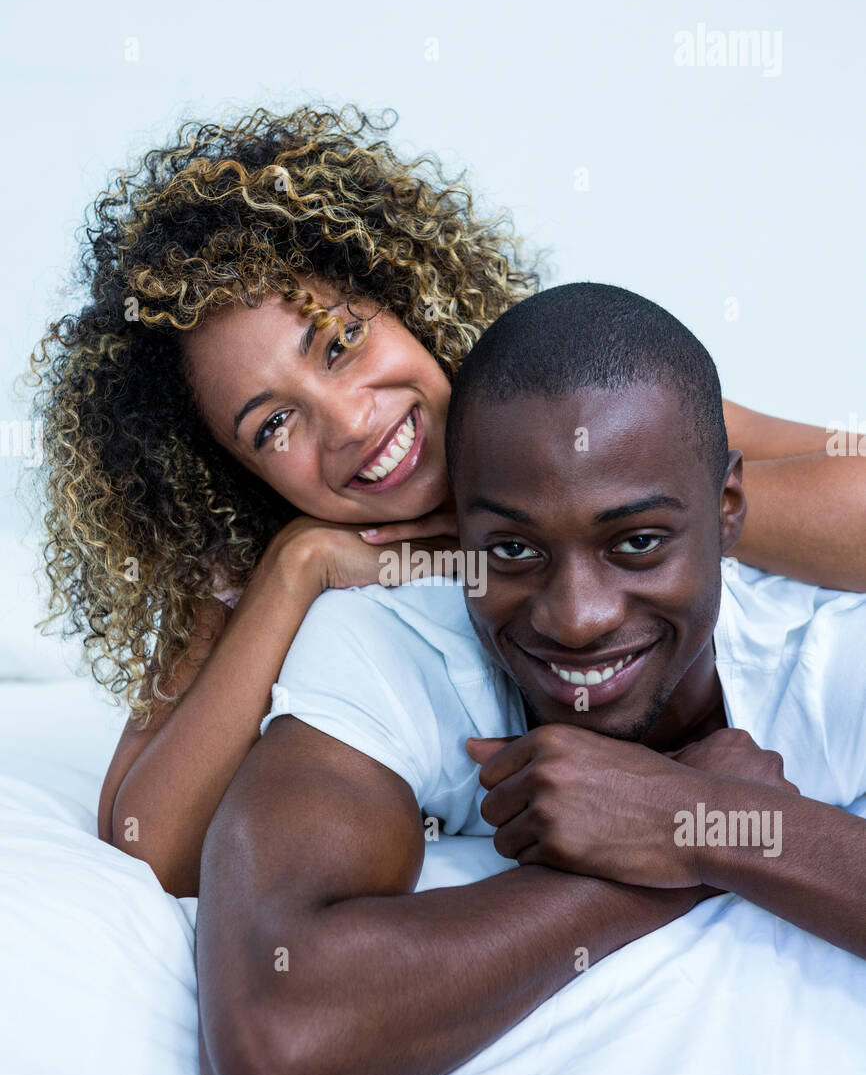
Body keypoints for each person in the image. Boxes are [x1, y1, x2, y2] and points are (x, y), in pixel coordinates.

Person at [29, 107, 866, 897]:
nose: (353, 420)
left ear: (406, 297)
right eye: (275, 422)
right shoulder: (251, 556)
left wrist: (591, 514)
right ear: (231, 469)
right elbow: (143, 838)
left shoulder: (567, 403)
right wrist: (297, 569)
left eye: (343, 342)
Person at [194, 283, 866, 1075]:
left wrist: (696, 822)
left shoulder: (826, 636)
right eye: (513, 549)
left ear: (729, 510)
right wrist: (688, 840)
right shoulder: (393, 638)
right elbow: (276, 1048)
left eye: (637, 543)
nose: (577, 617)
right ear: (451, 533)